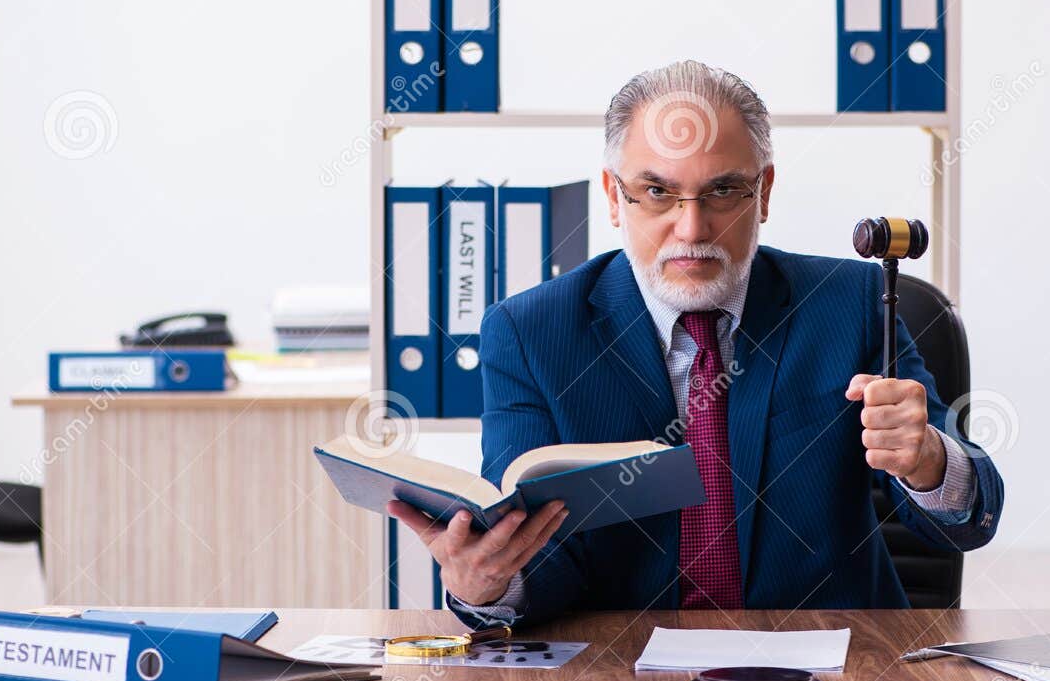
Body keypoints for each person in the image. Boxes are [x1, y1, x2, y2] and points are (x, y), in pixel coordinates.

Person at [388, 59, 1003, 625]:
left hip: (835, 675)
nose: (691, 228)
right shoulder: (529, 333)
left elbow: (973, 515)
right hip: (614, 680)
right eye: (657, 192)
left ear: (762, 193)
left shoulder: (853, 303)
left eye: (722, 192)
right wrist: (486, 585)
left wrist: (927, 463)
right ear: (612, 196)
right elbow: (536, 561)